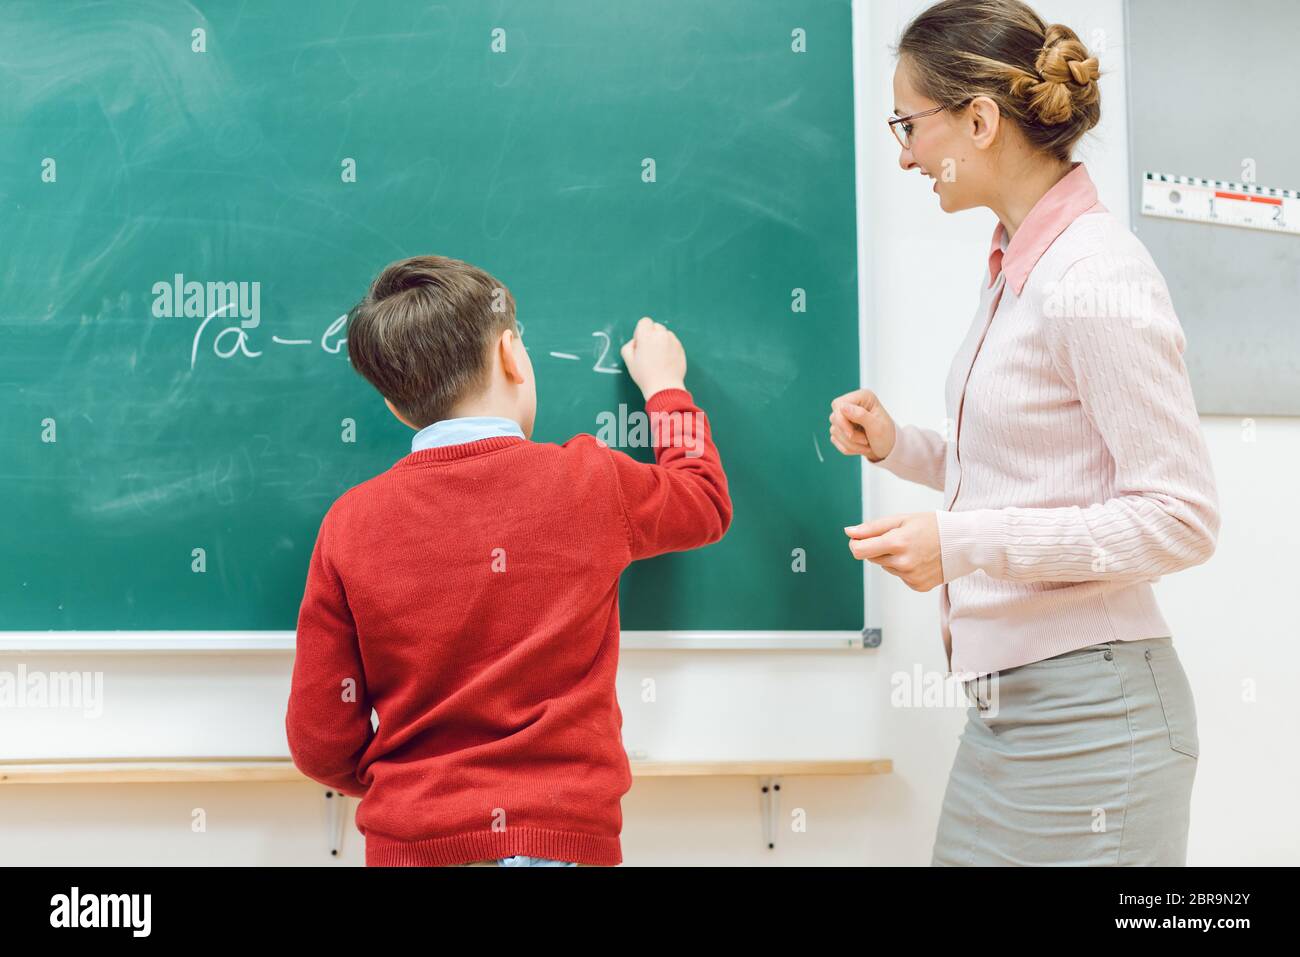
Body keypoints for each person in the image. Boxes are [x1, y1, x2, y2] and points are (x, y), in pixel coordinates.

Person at [830, 0, 1219, 865]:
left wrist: (965, 543)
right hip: (1011, 713)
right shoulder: (1017, 263)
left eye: (909, 124)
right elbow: (1030, 468)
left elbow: (1182, 517)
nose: (903, 155)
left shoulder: (1094, 274)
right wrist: (901, 444)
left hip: (1096, 717)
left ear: (979, 118)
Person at [286, 255, 731, 866]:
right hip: (562, 836)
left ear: (393, 406)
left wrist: (417, 788)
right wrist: (665, 389)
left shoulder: (350, 524)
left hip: (415, 841)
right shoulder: (589, 482)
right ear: (511, 354)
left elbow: (319, 740)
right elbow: (703, 499)